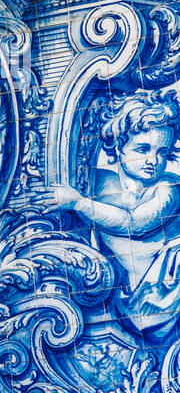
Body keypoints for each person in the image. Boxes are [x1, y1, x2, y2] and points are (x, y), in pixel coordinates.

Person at [38, 89, 180, 337]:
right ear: (118, 144)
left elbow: (132, 223)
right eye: (143, 149)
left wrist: (79, 204)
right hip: (127, 294)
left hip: (164, 291)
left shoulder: (167, 189)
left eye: (162, 153)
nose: (153, 160)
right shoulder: (101, 182)